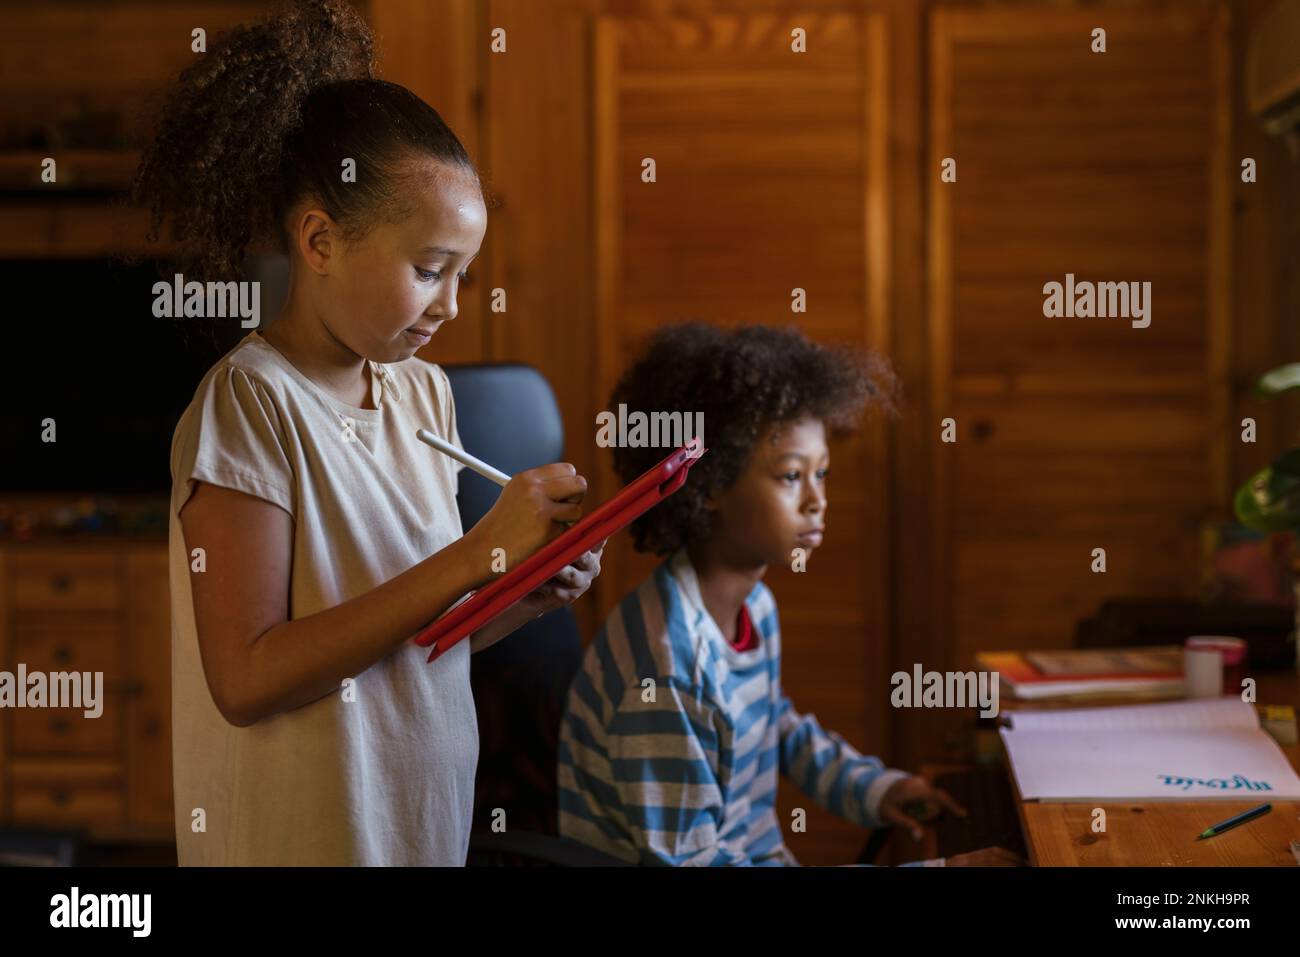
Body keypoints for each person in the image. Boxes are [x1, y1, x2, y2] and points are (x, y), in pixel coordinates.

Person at [137, 0, 603, 865]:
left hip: (417, 827)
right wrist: (475, 555)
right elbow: (247, 678)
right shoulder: (248, 405)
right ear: (318, 239)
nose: (450, 306)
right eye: (429, 269)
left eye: (463, 275)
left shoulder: (424, 395)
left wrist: (519, 589)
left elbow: (414, 637)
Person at [557, 323, 1022, 866]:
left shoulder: (753, 606)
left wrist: (878, 790)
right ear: (706, 486)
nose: (817, 500)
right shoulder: (668, 669)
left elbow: (772, 725)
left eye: (821, 473)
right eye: (789, 476)